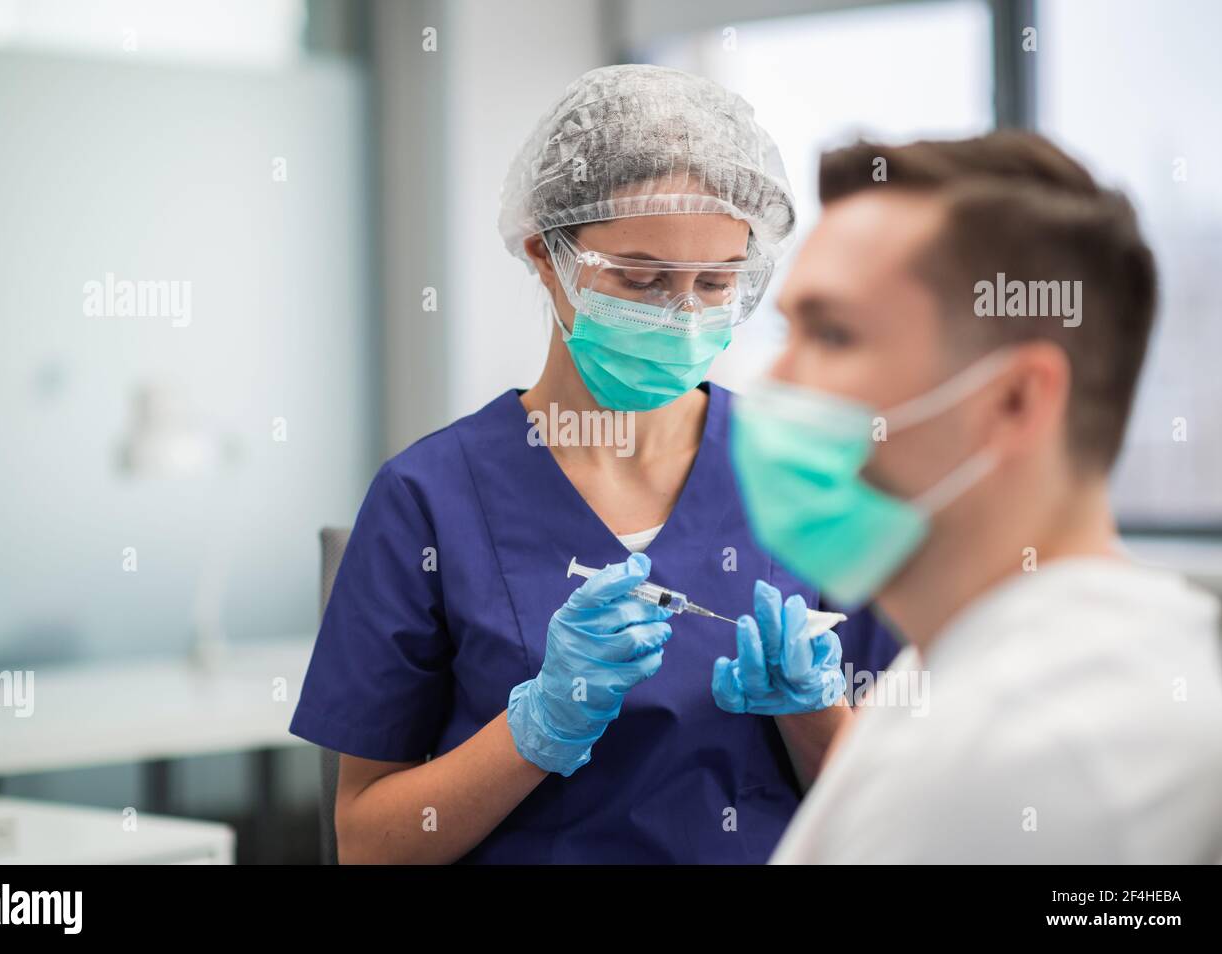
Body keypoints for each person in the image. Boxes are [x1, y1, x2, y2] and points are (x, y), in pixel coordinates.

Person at [288, 64, 898, 864]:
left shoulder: (812, 479)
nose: (683, 316)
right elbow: (369, 843)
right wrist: (538, 726)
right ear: (548, 255)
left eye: (717, 283)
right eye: (642, 279)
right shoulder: (428, 500)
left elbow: (890, 817)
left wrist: (811, 712)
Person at [723, 130, 1222, 863]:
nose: (771, 386)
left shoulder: (1037, 750)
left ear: (1016, 401)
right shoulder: (976, 658)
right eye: (787, 331)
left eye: (833, 334)